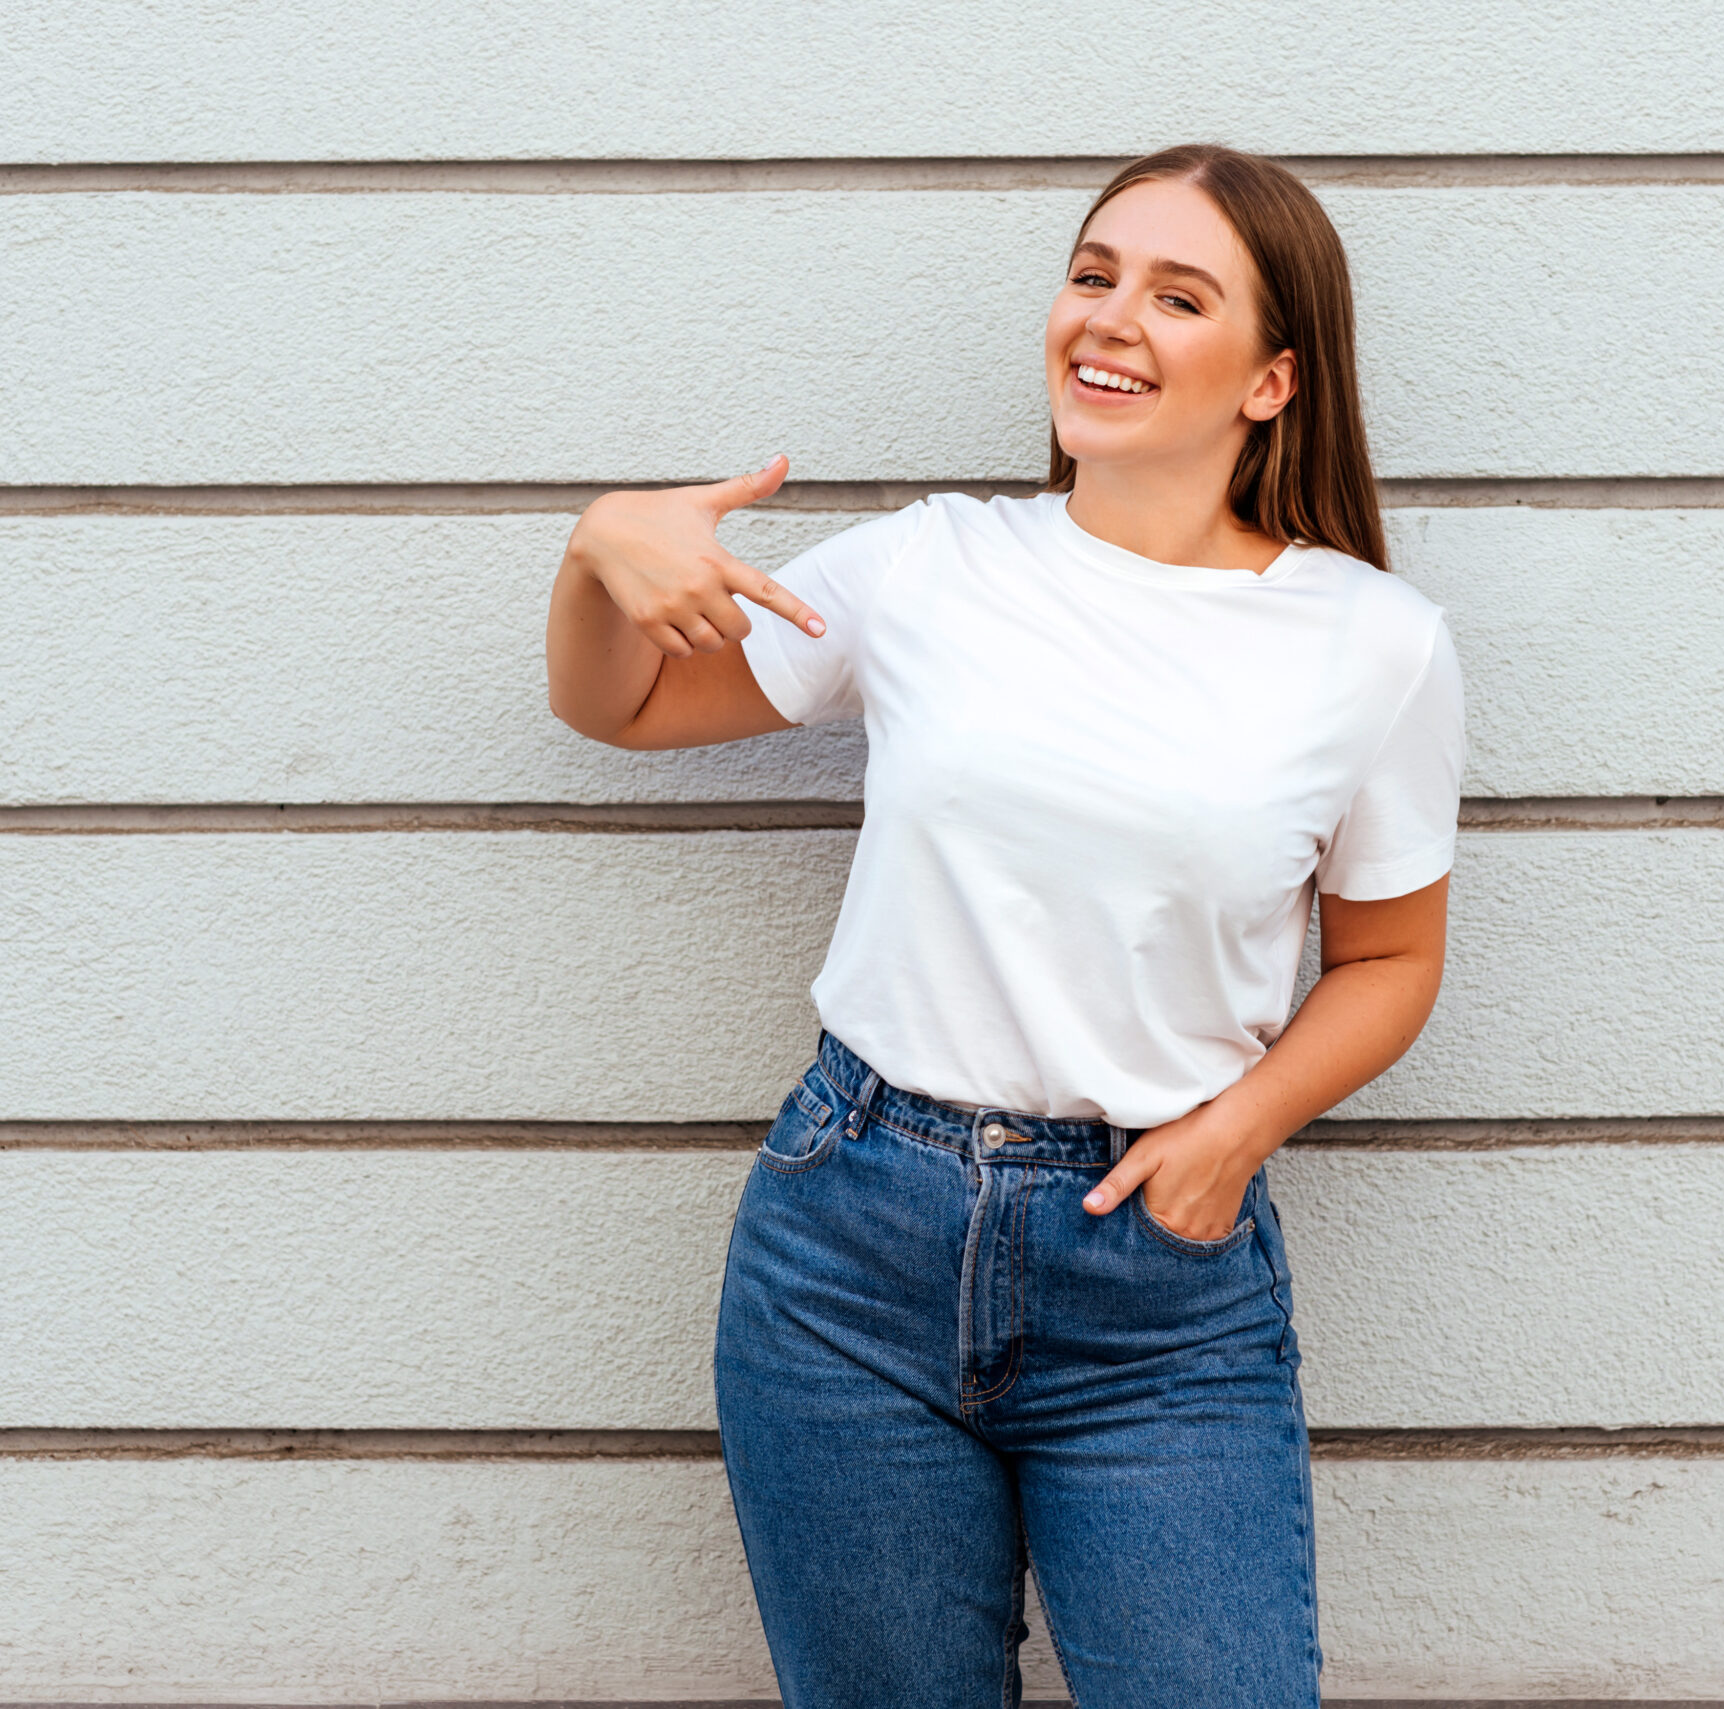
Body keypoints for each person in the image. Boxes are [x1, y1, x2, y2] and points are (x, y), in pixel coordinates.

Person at [545, 143, 1463, 1709]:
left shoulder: (1371, 643)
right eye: (1094, 273)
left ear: (1272, 377)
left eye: (1181, 296)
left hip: (1155, 1282)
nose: (1110, 320)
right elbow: (616, 704)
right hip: (850, 1245)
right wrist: (596, 551)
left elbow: (1388, 961)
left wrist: (1238, 1129)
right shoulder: (931, 563)